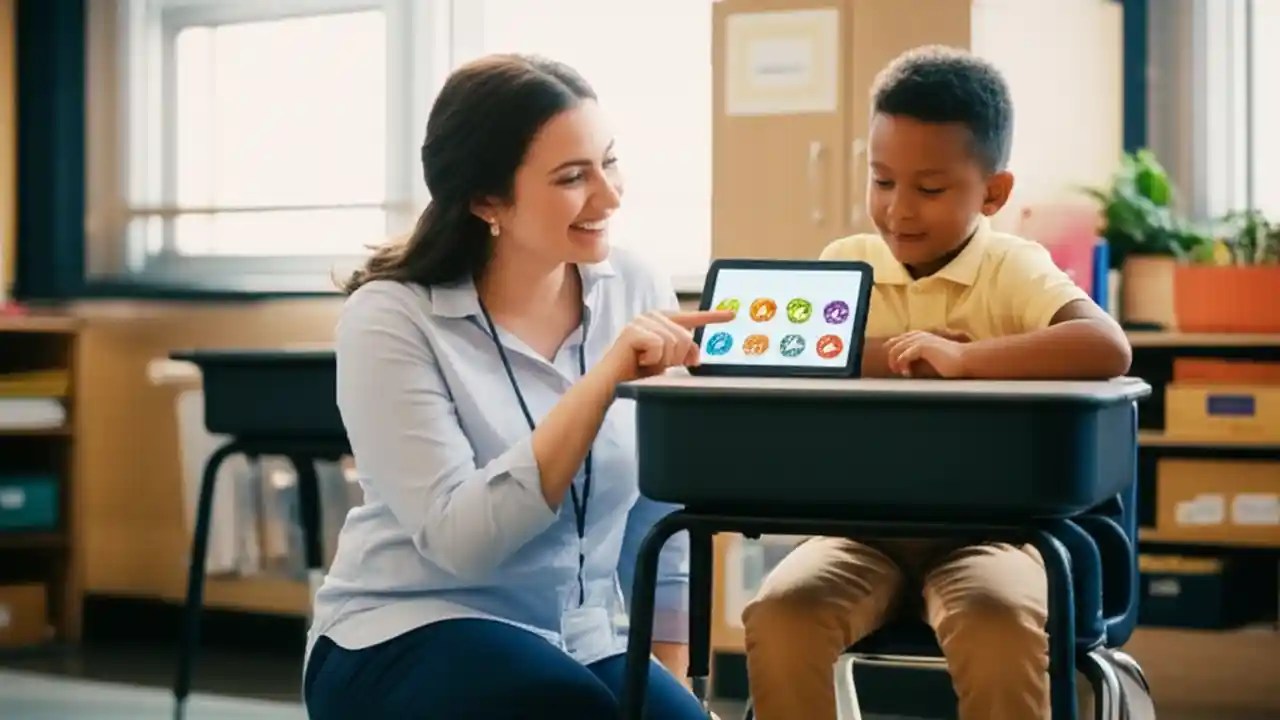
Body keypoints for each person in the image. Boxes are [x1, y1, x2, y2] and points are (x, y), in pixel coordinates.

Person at [303, 53, 733, 720]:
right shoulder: (390, 318)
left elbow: (658, 512)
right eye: (573, 177)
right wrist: (602, 381)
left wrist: (666, 681)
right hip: (410, 626)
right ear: (486, 201)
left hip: (584, 640)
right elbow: (460, 541)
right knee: (560, 705)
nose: (610, 197)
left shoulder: (635, 285)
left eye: (609, 163)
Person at [741, 45, 1132, 720]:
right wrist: (895, 353)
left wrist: (965, 361)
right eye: (881, 181)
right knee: (781, 615)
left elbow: (1106, 346)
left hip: (995, 535)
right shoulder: (846, 262)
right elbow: (802, 356)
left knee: (997, 621)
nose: (899, 210)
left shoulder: (1012, 267)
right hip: (860, 534)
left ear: (993, 193)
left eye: (929, 190)